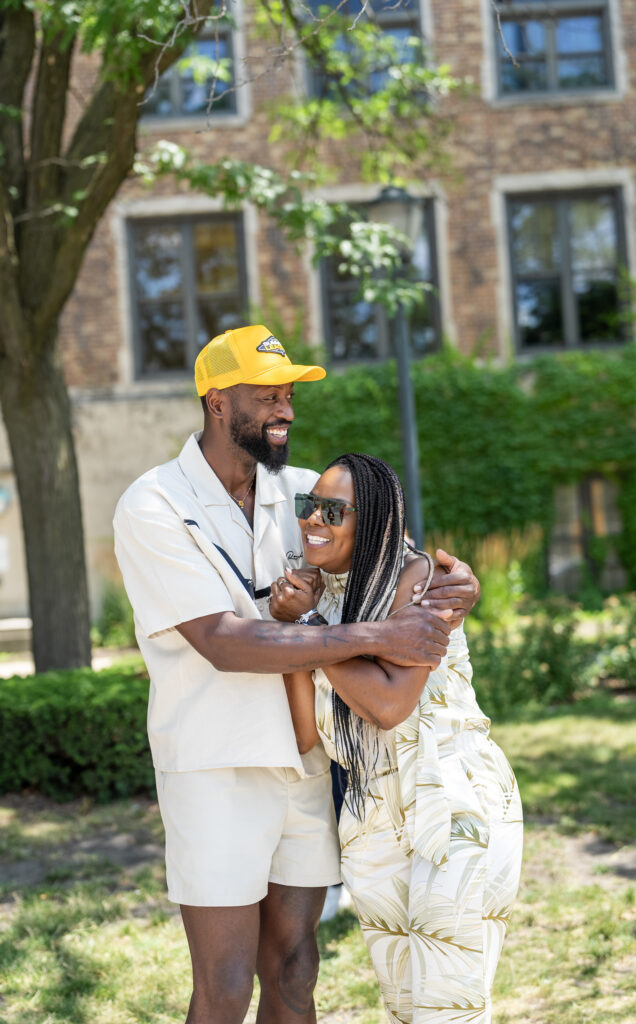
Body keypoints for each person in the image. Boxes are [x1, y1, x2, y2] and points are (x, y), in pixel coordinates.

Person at [112, 324, 481, 1024]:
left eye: (288, 395)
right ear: (217, 402)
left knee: (294, 970)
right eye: (266, 395)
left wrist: (461, 589)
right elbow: (221, 641)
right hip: (214, 769)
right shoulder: (154, 504)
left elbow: (405, 569)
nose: (284, 409)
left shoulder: (313, 492)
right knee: (223, 987)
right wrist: (379, 634)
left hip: (306, 765)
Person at [270, 453, 523, 1024]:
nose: (314, 521)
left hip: (449, 800)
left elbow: (388, 705)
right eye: (310, 506)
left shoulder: (420, 580)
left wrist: (311, 631)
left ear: (377, 521)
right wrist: (291, 634)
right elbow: (307, 734)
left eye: (333, 511)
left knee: (447, 1012)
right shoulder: (321, 597)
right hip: (369, 821)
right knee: (408, 1009)